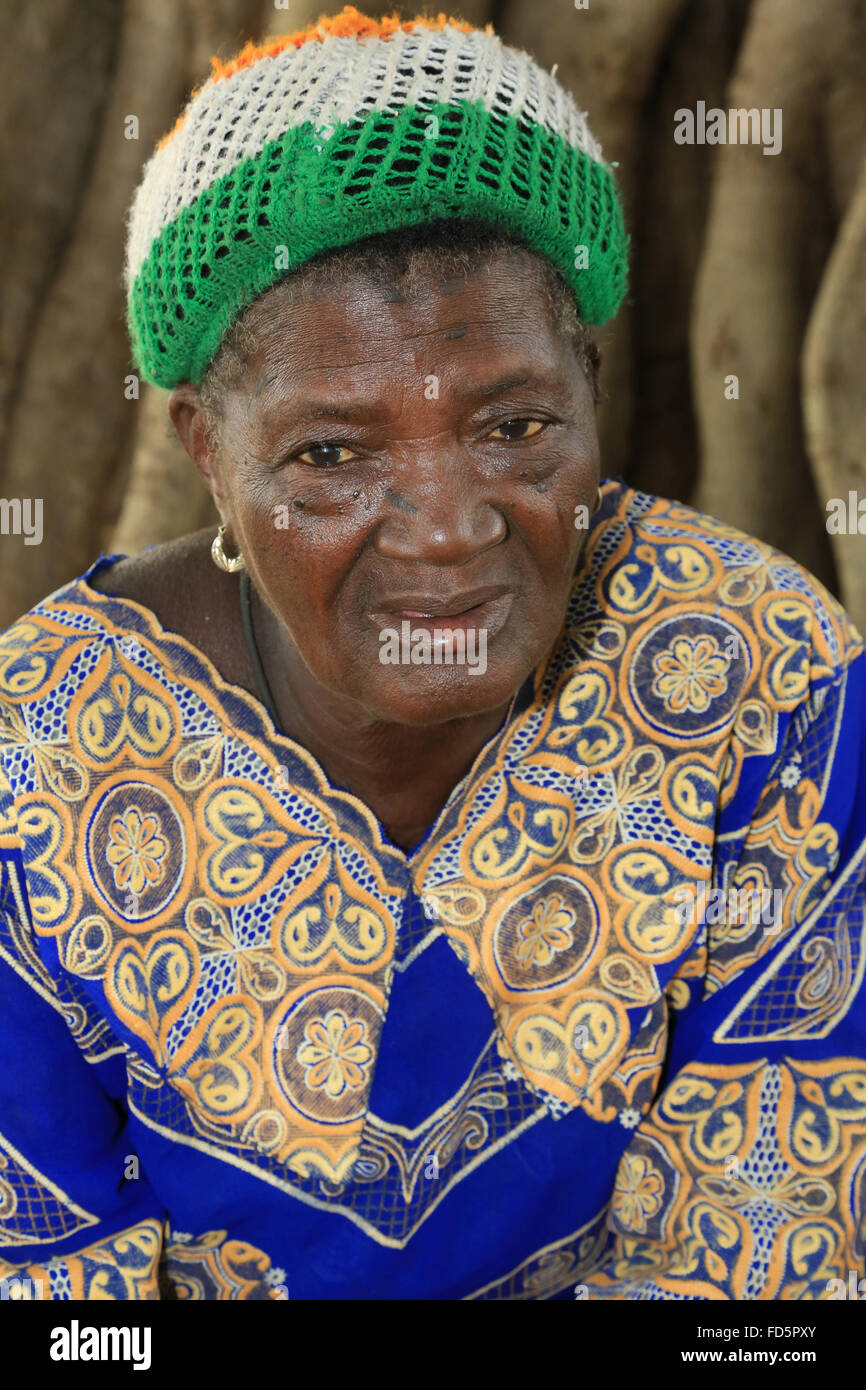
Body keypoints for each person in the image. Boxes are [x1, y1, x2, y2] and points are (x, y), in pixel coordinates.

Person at [0, 5, 864, 1302]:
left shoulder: (754, 673)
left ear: (590, 381)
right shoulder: (45, 749)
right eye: (331, 456)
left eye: (514, 425)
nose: (452, 531)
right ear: (204, 456)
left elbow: (762, 1271)